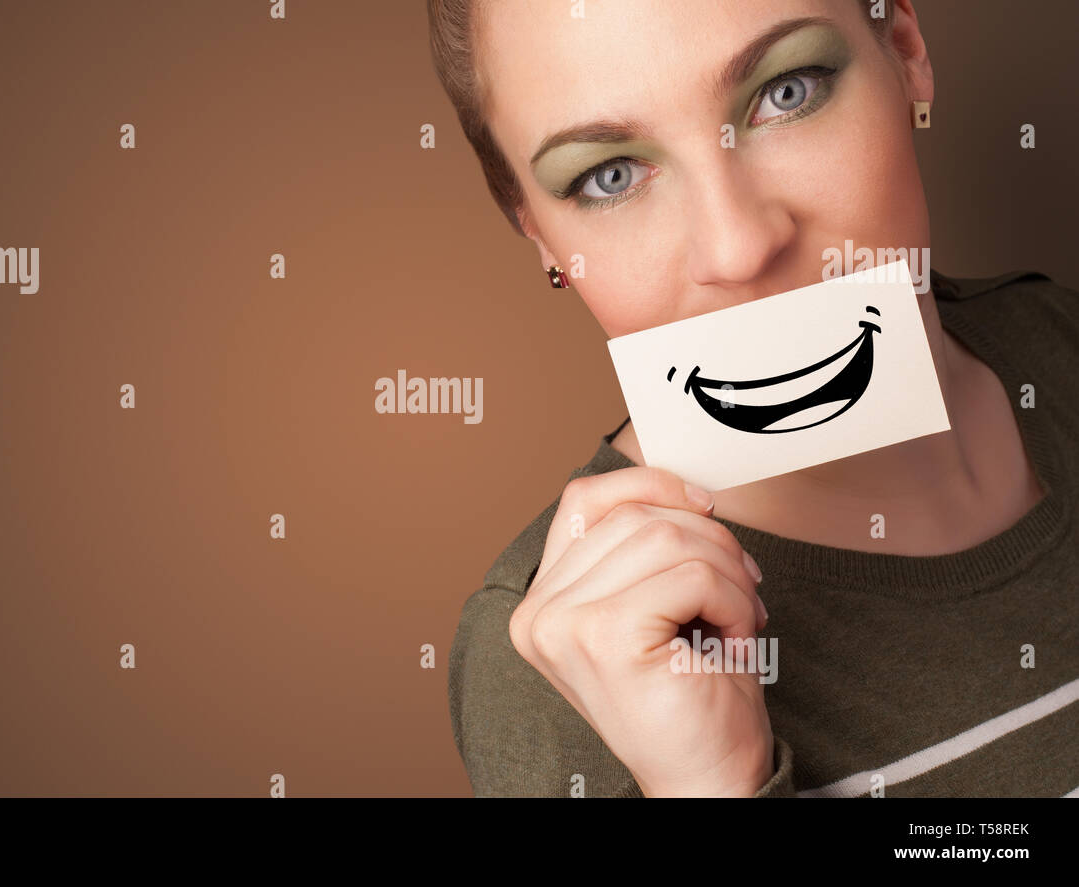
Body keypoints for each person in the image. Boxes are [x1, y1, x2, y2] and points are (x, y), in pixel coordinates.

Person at [428, 0, 1079, 796]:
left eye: (788, 92)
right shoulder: (552, 671)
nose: (738, 247)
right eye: (612, 176)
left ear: (906, 51)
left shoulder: (1060, 338)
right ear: (541, 237)